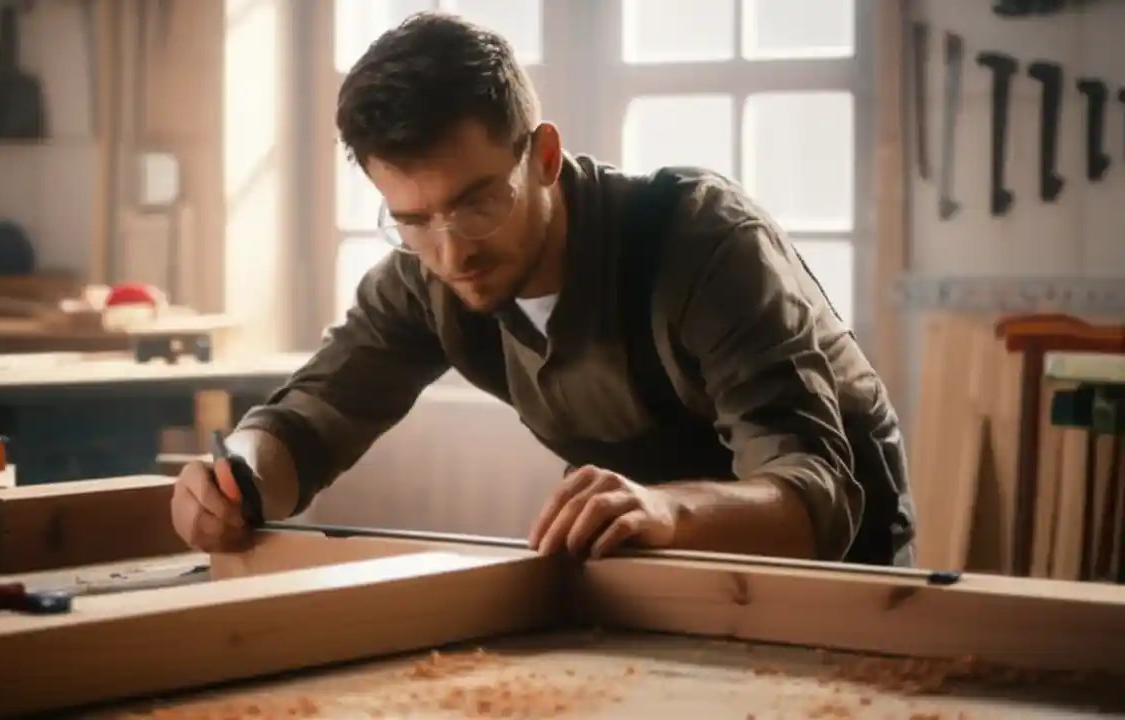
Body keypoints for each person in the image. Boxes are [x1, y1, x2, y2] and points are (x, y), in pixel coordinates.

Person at [171, 11, 916, 566]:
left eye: (477, 204)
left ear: (546, 155)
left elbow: (812, 494)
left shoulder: (705, 242)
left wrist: (667, 507)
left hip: (833, 557)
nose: (452, 251)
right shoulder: (422, 273)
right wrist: (237, 480)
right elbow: (308, 417)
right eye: (413, 220)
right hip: (650, 548)